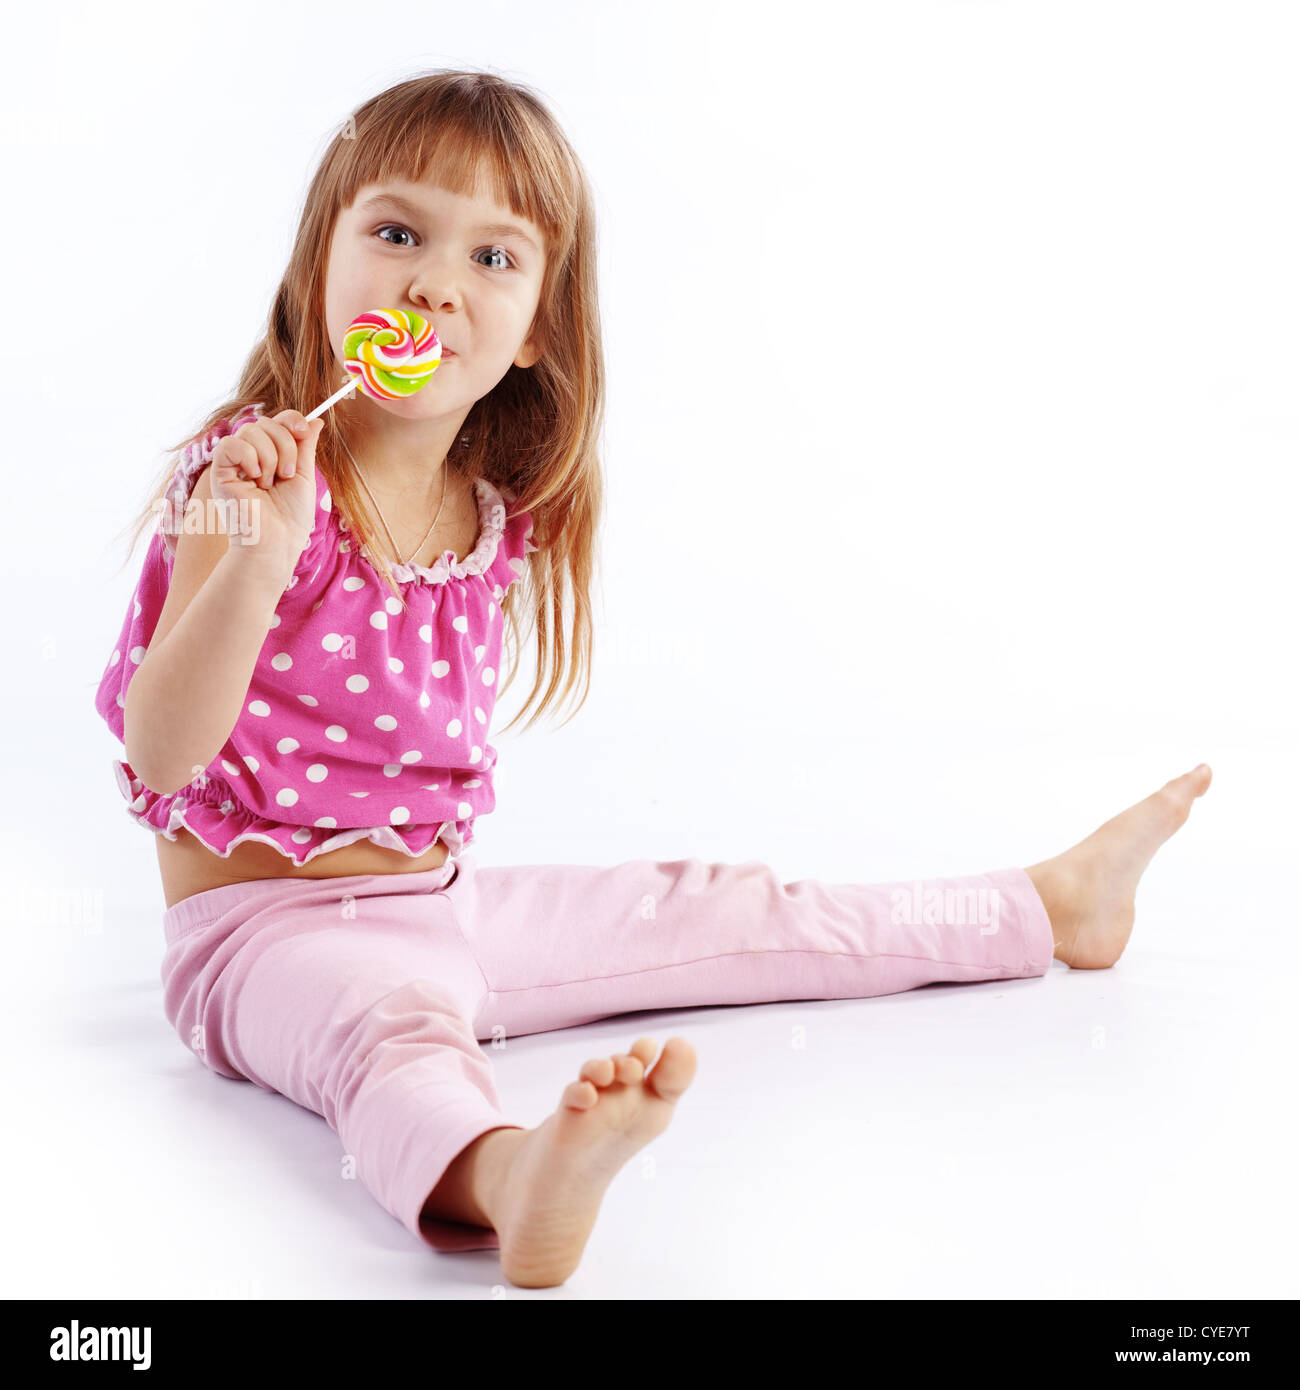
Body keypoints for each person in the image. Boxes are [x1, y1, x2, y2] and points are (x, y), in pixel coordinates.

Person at [94, 69, 1212, 1290]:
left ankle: (1045, 907)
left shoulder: (485, 512)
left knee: (723, 903)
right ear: (322, 257)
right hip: (263, 940)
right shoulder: (249, 480)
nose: (432, 284)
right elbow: (163, 752)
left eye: (493, 258)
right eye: (397, 232)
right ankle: (509, 1177)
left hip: (449, 904)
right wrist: (254, 568)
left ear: (535, 337)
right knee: (394, 1037)